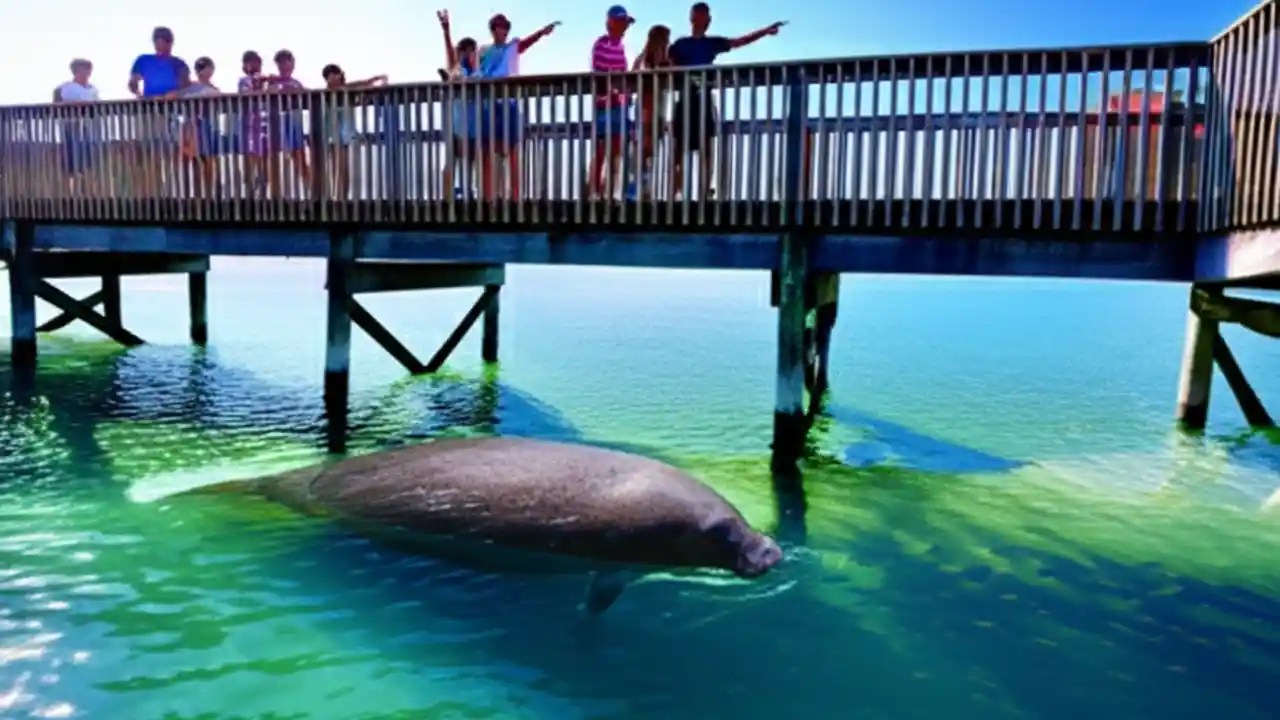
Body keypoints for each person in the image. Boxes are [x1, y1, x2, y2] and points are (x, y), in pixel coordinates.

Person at [668, 3, 784, 199]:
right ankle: (675, 192)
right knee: (679, 149)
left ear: (708, 20)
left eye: (704, 16)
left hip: (704, 99)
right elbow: (664, 62)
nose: (701, 20)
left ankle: (704, 191)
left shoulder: (713, 43)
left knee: (706, 147)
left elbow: (739, 42)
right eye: (698, 16)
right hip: (685, 100)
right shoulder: (680, 45)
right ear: (692, 18)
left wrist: (764, 31)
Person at [476, 13, 559, 200]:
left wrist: (541, 33)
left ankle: (515, 197)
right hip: (490, 104)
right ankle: (490, 198)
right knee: (491, 150)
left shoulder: (512, 47)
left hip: (510, 103)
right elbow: (473, 70)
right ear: (493, 29)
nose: (503, 30)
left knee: (512, 149)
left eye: (506, 27)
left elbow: (527, 43)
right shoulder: (483, 51)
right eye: (500, 26)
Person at [128, 26, 190, 197]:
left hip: (173, 111)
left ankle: (172, 191)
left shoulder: (178, 63)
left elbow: (187, 84)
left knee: (171, 150)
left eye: (165, 40)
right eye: (158, 40)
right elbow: (133, 82)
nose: (161, 44)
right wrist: (139, 95)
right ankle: (154, 192)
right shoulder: (143, 60)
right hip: (150, 110)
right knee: (150, 150)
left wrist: (175, 94)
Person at [588, 5, 635, 200]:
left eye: (626, 23)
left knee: (616, 149)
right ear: (611, 23)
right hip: (604, 104)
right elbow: (600, 73)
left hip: (620, 104)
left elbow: (620, 75)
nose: (625, 27)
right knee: (601, 149)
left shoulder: (621, 47)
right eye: (622, 22)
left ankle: (611, 191)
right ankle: (594, 191)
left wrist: (625, 90)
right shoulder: (601, 43)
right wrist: (616, 86)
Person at [321, 63, 388, 199]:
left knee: (343, 167)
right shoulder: (326, 93)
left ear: (340, 75)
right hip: (332, 133)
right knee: (337, 166)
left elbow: (365, 84)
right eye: (329, 76)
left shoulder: (348, 89)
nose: (332, 78)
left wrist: (378, 80)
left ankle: (342, 197)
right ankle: (338, 197)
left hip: (345, 132)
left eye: (335, 74)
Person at [437, 9, 481, 198]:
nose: (470, 53)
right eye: (467, 50)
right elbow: (449, 53)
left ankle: (469, 193)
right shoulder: (457, 66)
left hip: (472, 121)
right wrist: (446, 30)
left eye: (472, 50)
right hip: (456, 121)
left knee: (470, 161)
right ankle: (447, 199)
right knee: (451, 160)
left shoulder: (477, 69)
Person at [632, 25, 673, 199]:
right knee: (645, 150)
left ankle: (643, 189)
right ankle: (641, 190)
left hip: (655, 108)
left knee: (646, 151)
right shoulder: (650, 60)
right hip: (647, 107)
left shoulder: (659, 60)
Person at [173, 57, 222, 198]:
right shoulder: (191, 88)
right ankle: (197, 196)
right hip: (193, 128)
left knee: (211, 160)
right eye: (201, 68)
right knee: (196, 161)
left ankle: (212, 193)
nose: (204, 71)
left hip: (211, 126)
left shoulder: (213, 89)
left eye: (207, 67)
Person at [265, 49, 309, 199]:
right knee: (276, 158)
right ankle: (276, 195)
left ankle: (308, 193)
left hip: (295, 121)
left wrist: (297, 90)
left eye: (287, 61)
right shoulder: (272, 81)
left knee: (299, 156)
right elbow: (267, 93)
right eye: (281, 62)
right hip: (278, 121)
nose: (284, 65)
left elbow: (306, 96)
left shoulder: (297, 83)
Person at [54, 58, 100, 193]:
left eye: (88, 69)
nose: (86, 73)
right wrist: (75, 104)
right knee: (71, 160)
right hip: (71, 126)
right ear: (75, 71)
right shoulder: (65, 88)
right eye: (83, 70)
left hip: (89, 127)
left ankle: (88, 192)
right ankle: (71, 193)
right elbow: (56, 104)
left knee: (88, 161)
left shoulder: (93, 89)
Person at [237, 51, 271, 197]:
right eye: (250, 62)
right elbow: (244, 93)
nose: (254, 65)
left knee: (264, 158)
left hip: (264, 124)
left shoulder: (267, 80)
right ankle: (249, 192)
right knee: (250, 157)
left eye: (257, 62)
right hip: (249, 125)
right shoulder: (243, 80)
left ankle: (263, 191)